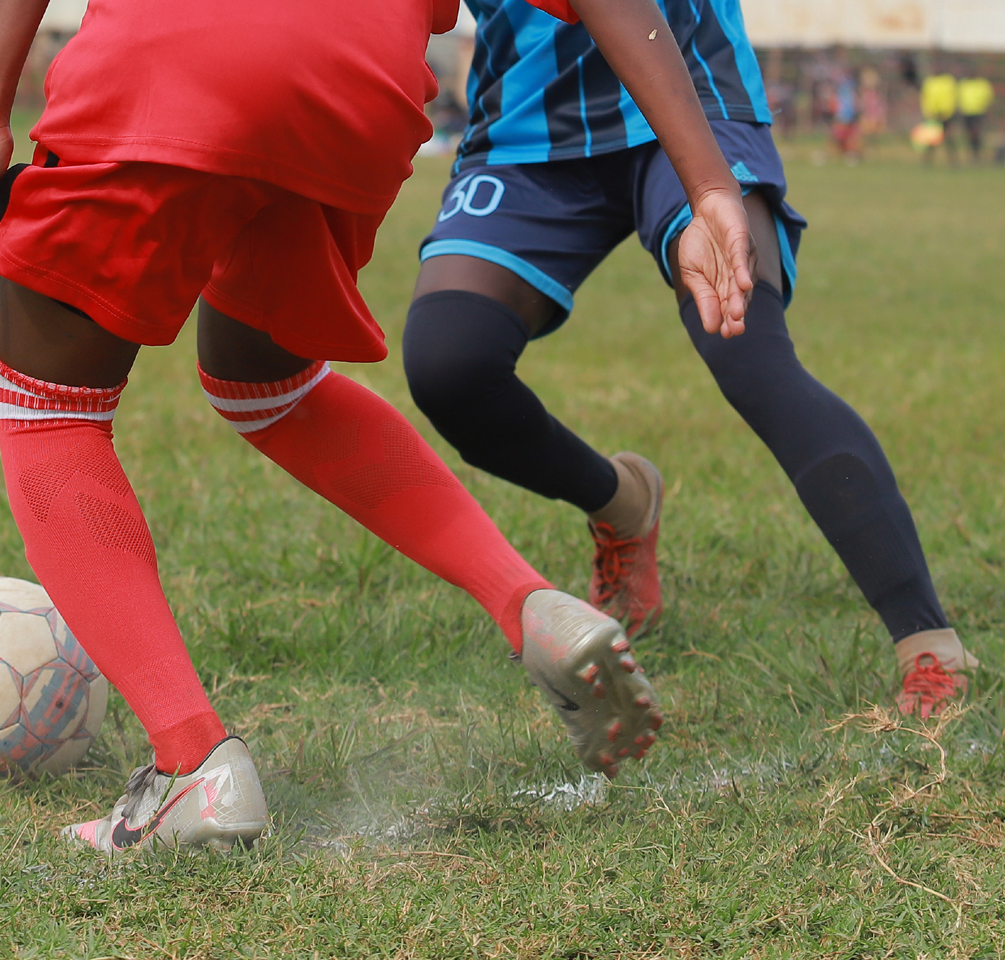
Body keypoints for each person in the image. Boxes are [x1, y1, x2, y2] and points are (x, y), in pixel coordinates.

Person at [0, 0, 756, 853]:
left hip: (176, 47)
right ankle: (529, 602)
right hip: (358, 81)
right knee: (265, 383)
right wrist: (708, 182)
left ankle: (189, 765)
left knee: (46, 402)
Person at [402, 0, 980, 728]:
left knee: (746, 346)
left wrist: (710, 187)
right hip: (526, 123)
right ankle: (621, 501)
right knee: (448, 364)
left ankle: (926, 639)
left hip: (688, 94)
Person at [920, 68, 959, 166]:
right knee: (931, 140)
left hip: (946, 115)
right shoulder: (929, 82)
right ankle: (927, 162)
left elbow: (952, 98)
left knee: (949, 140)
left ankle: (953, 162)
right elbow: (925, 98)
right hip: (933, 115)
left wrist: (947, 112)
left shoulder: (948, 81)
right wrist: (929, 113)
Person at [957, 73, 994, 163]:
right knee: (969, 134)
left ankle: (977, 153)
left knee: (976, 132)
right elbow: (959, 98)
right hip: (966, 113)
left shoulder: (982, 84)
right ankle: (973, 152)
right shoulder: (964, 84)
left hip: (979, 112)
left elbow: (988, 98)